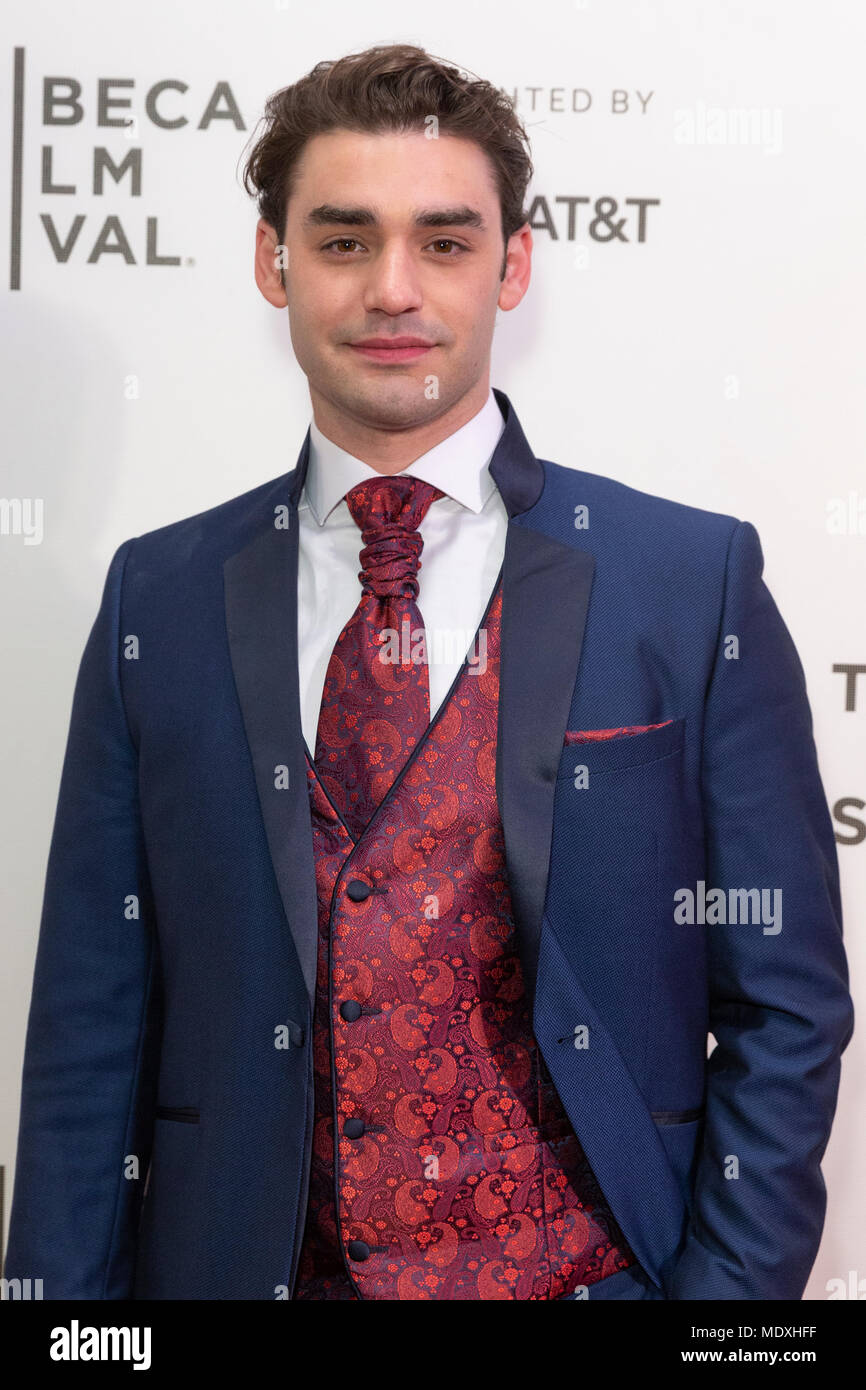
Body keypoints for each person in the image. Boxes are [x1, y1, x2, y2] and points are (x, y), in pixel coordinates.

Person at [5, 42, 853, 1301]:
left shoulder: (687, 582)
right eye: (343, 241)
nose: (391, 290)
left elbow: (783, 1005)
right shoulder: (162, 597)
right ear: (271, 261)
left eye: (444, 243)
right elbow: (89, 1028)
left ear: (511, 266)